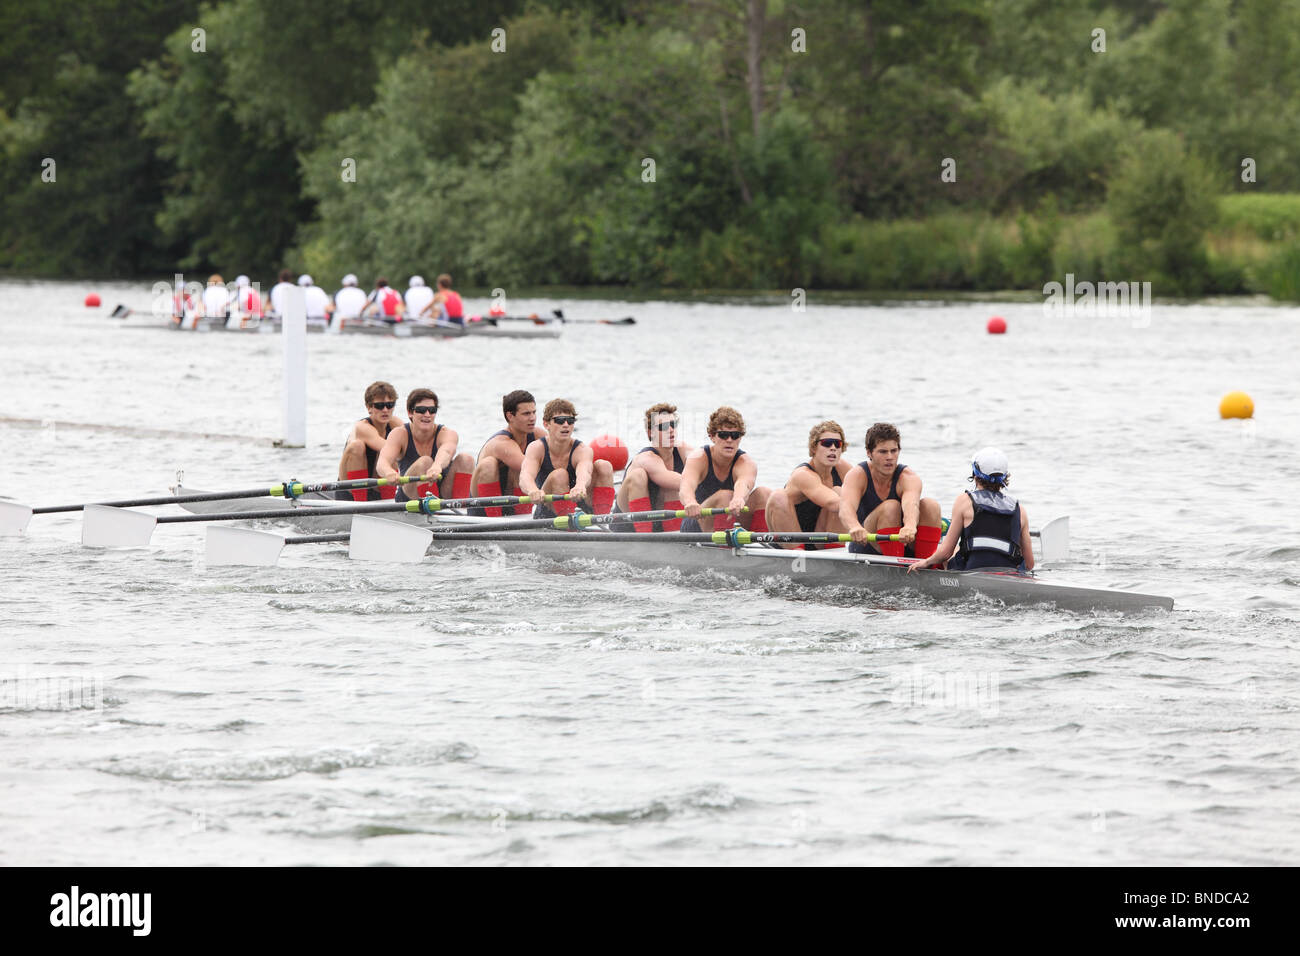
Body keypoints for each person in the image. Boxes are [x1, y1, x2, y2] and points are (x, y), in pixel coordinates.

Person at [910, 448, 1035, 573]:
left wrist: (926, 562)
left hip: (972, 572)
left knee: (953, 550)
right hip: (1008, 575)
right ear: (1004, 476)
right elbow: (1029, 564)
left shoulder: (964, 501)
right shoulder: (1020, 510)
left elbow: (945, 553)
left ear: (975, 474)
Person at [839, 422, 942, 558]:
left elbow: (911, 504)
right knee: (891, 507)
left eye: (894, 451)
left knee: (931, 505)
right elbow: (846, 508)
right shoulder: (857, 475)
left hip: (902, 543)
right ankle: (897, 568)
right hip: (866, 545)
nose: (889, 457)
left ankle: (926, 567)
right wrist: (854, 527)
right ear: (869, 453)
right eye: (883, 451)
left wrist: (910, 526)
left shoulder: (908, 477)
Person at [678, 406, 771, 533]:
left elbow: (743, 484)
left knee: (764, 493)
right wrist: (690, 502)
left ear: (740, 438)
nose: (729, 440)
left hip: (730, 517)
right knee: (725, 496)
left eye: (734, 435)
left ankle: (760, 545)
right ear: (712, 437)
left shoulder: (746, 462)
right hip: (697, 521)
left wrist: (739, 498)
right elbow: (686, 486)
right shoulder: (699, 458)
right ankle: (722, 548)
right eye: (723, 435)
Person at [519, 399, 616, 517]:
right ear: (546, 424)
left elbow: (585, 472)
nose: (566, 425)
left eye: (570, 421)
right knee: (560, 475)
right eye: (559, 421)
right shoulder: (537, 448)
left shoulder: (582, 450)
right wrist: (532, 490)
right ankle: (569, 526)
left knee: (604, 466)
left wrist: (580, 486)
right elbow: (525, 476)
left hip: (580, 509)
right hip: (548, 512)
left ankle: (602, 519)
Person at [764, 421, 853, 549]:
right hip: (789, 542)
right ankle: (798, 555)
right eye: (826, 443)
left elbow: (865, 491)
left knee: (840, 492)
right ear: (813, 448)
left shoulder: (842, 468)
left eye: (837, 444)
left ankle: (834, 552)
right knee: (778, 496)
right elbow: (832, 504)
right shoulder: (803, 474)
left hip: (820, 541)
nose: (833, 447)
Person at [375, 389, 474, 501]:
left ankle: (461, 508)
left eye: (432, 410)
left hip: (442, 493)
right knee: (425, 462)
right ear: (410, 412)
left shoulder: (447, 434)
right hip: (409, 495)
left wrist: (437, 466)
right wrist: (389, 472)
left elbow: (446, 452)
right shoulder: (400, 434)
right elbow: (382, 463)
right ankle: (432, 507)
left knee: (467, 459)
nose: (427, 415)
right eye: (421, 410)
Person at [612, 403, 695, 532]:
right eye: (664, 427)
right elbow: (675, 480)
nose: (671, 430)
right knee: (640, 475)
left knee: (685, 479)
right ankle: (645, 537)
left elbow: (704, 463)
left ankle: (677, 538)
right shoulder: (646, 458)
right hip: (627, 525)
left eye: (673, 425)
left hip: (659, 521)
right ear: (651, 432)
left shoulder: (683, 449)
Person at [471, 389, 547, 517]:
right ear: (510, 416)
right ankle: (495, 520)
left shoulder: (537, 434)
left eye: (534, 412)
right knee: (516, 465)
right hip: (482, 510)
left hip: (514, 504)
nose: (532, 418)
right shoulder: (502, 443)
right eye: (526, 414)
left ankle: (523, 518)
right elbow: (529, 468)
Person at [334, 381, 403, 502]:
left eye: (390, 404)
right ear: (369, 407)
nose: (385, 410)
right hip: (349, 492)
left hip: (376, 489)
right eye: (380, 406)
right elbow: (388, 449)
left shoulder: (396, 424)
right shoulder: (362, 427)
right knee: (358, 446)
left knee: (394, 448)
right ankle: (360, 503)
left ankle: (389, 503)